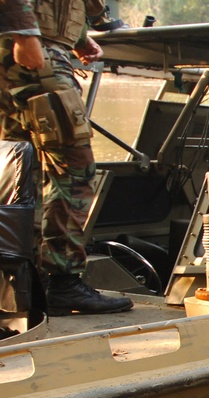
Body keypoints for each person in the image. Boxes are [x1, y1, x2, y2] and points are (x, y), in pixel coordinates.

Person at [0, 0, 133, 315]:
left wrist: (78, 35)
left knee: (22, 168)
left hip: (24, 51)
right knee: (73, 170)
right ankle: (63, 282)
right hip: (34, 53)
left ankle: (24, 282)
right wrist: (26, 34)